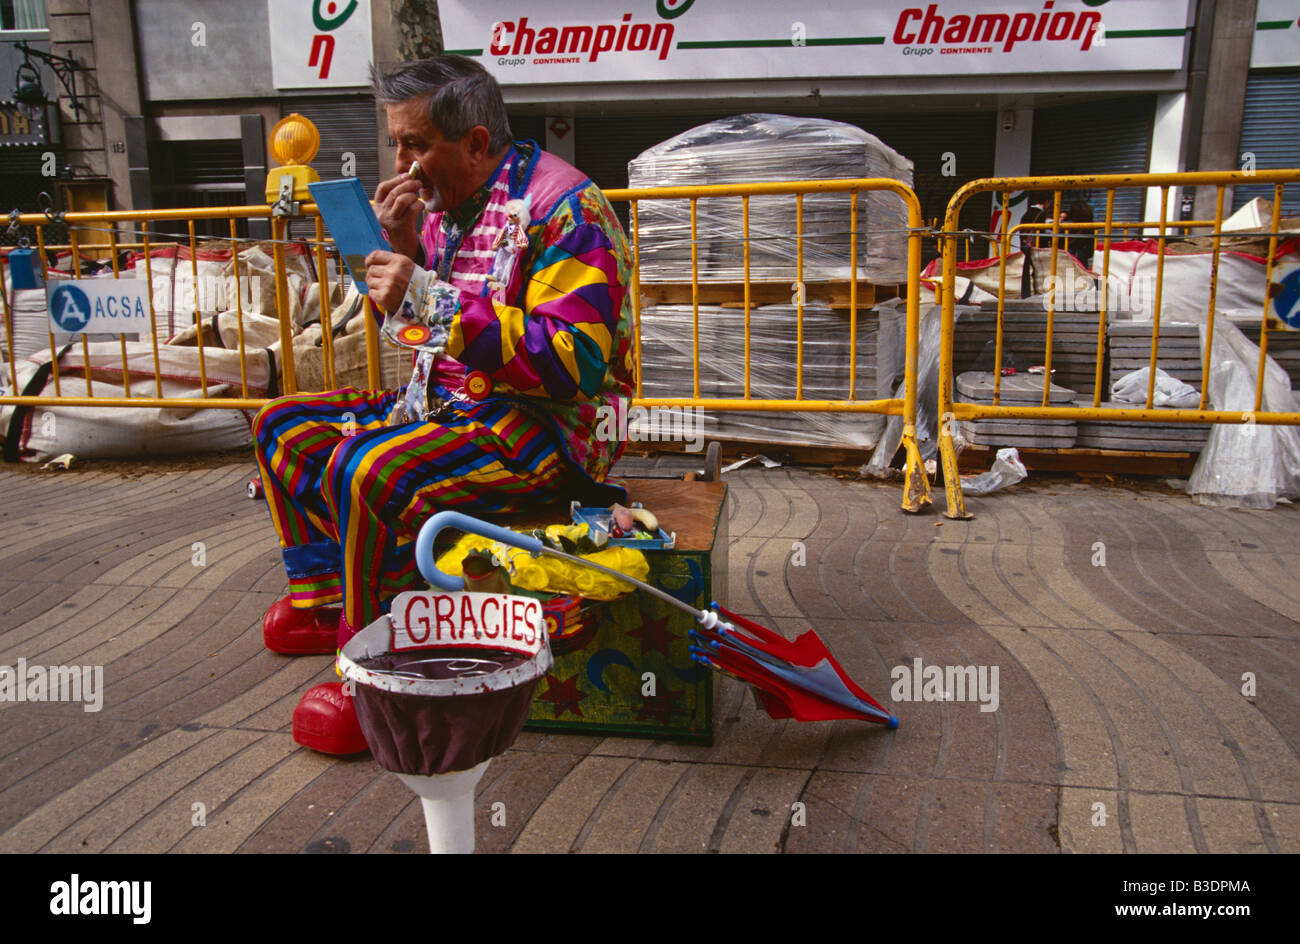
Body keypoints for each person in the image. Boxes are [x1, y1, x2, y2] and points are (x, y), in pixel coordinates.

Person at [252, 55, 635, 755]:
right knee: (283, 427)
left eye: (415, 145)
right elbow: (423, 339)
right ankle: (322, 601)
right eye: (396, 143)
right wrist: (399, 257)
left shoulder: (566, 208)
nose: (401, 163)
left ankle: (377, 673)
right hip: (448, 405)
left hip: (548, 431)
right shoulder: (440, 211)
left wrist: (425, 294)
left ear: (477, 144)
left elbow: (573, 364)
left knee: (369, 469)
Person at [1018, 191, 1052, 298]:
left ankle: (1027, 293)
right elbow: (1041, 234)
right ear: (1047, 202)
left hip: (1025, 245)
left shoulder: (1027, 213)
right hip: (1035, 246)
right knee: (1037, 271)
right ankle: (1035, 292)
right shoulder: (1040, 214)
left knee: (1027, 270)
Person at [1065, 197, 1095, 271]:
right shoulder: (1091, 225)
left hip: (1069, 256)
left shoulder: (1067, 226)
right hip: (1082, 258)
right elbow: (1091, 248)